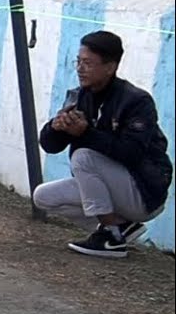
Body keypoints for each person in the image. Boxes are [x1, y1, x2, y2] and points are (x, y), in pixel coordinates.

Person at [33, 31, 172, 258]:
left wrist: (86, 132)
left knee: (83, 157)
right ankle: (120, 227)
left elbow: (131, 154)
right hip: (112, 189)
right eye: (78, 61)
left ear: (110, 67)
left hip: (143, 192)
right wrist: (56, 128)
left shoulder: (137, 101)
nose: (80, 68)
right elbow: (50, 146)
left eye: (88, 63)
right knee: (43, 196)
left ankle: (111, 235)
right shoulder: (79, 97)